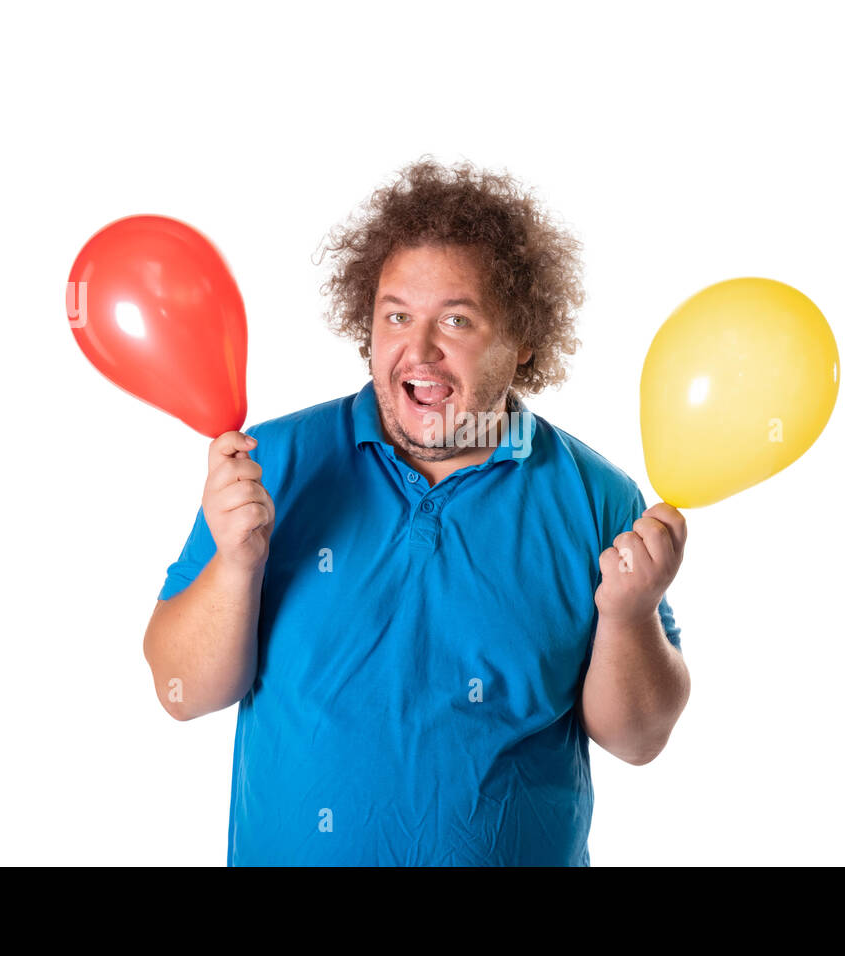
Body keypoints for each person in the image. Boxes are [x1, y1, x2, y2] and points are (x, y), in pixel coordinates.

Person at [142, 156, 690, 866]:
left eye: (456, 320)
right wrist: (236, 563)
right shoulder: (268, 463)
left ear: (522, 341)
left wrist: (629, 614)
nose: (419, 350)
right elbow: (181, 693)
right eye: (396, 314)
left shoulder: (598, 496)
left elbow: (639, 740)